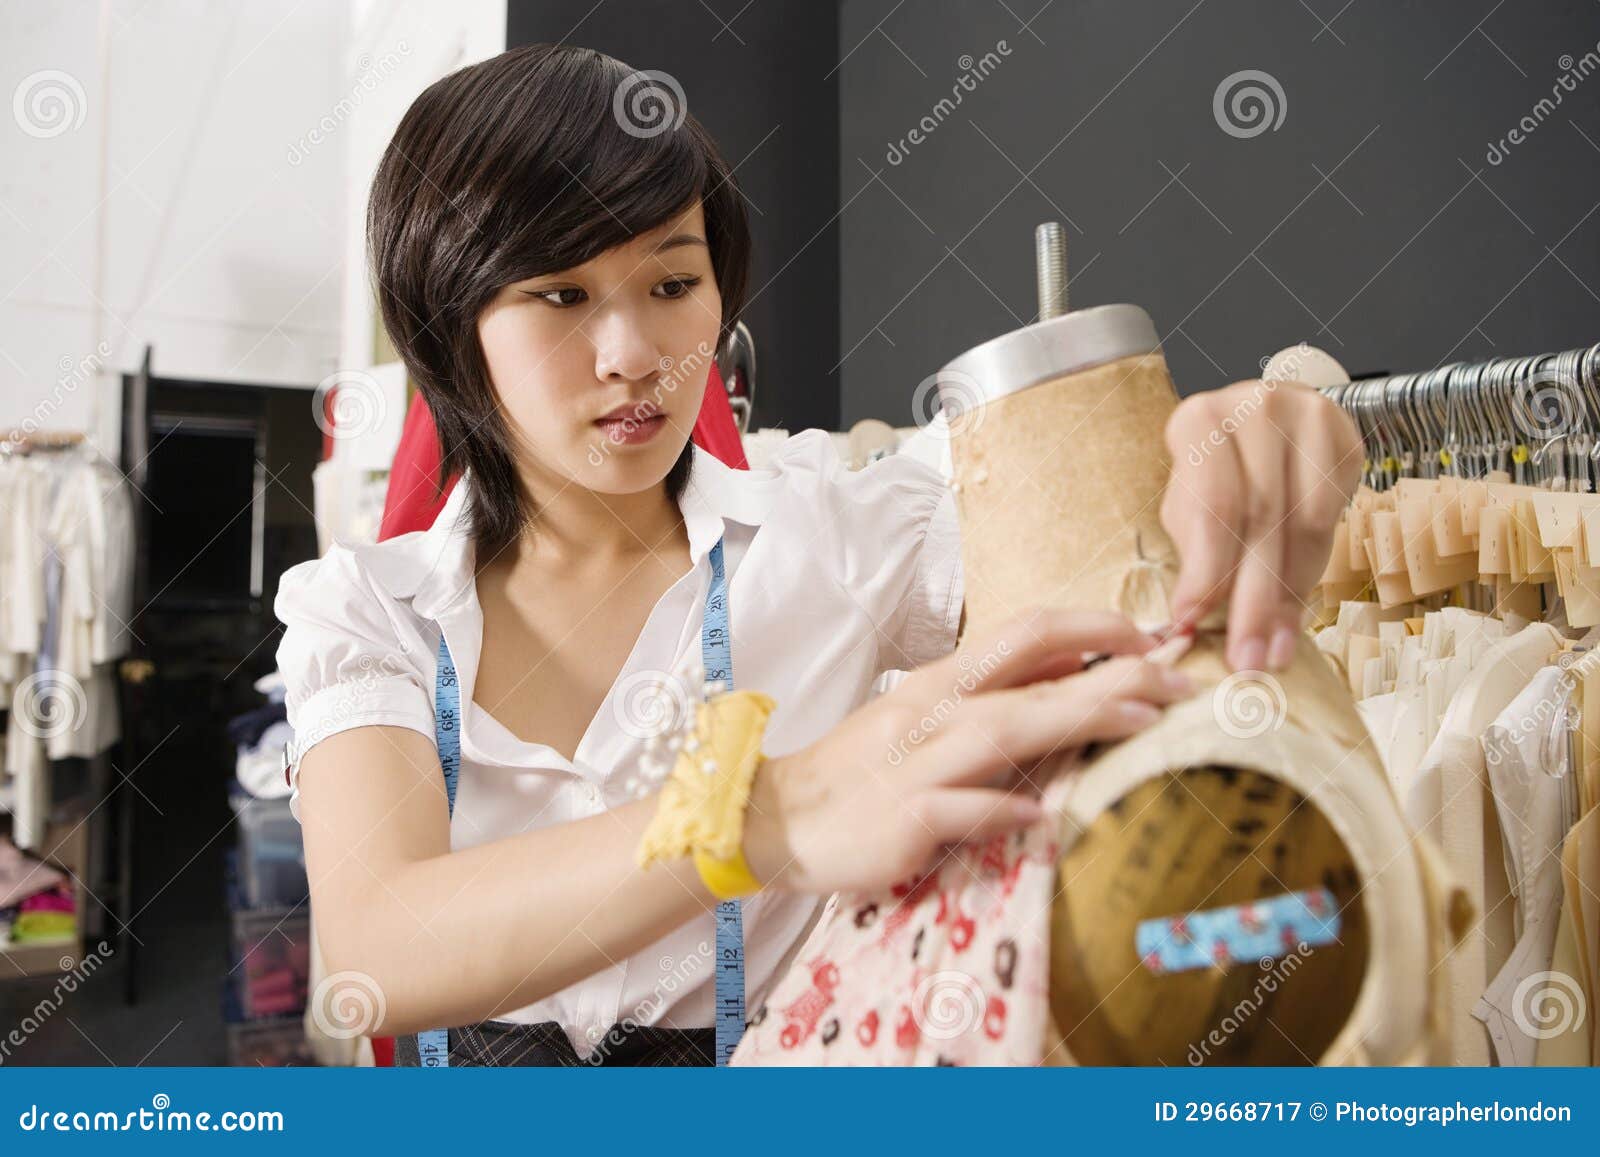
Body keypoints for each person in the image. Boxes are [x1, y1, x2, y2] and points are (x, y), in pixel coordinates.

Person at [274, 43, 1362, 1066]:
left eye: (671, 283)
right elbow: (375, 948)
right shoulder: (368, 611)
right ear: (446, 320)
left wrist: (1257, 435)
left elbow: (1102, 534)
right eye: (560, 296)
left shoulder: (835, 530)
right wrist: (775, 814)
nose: (635, 354)